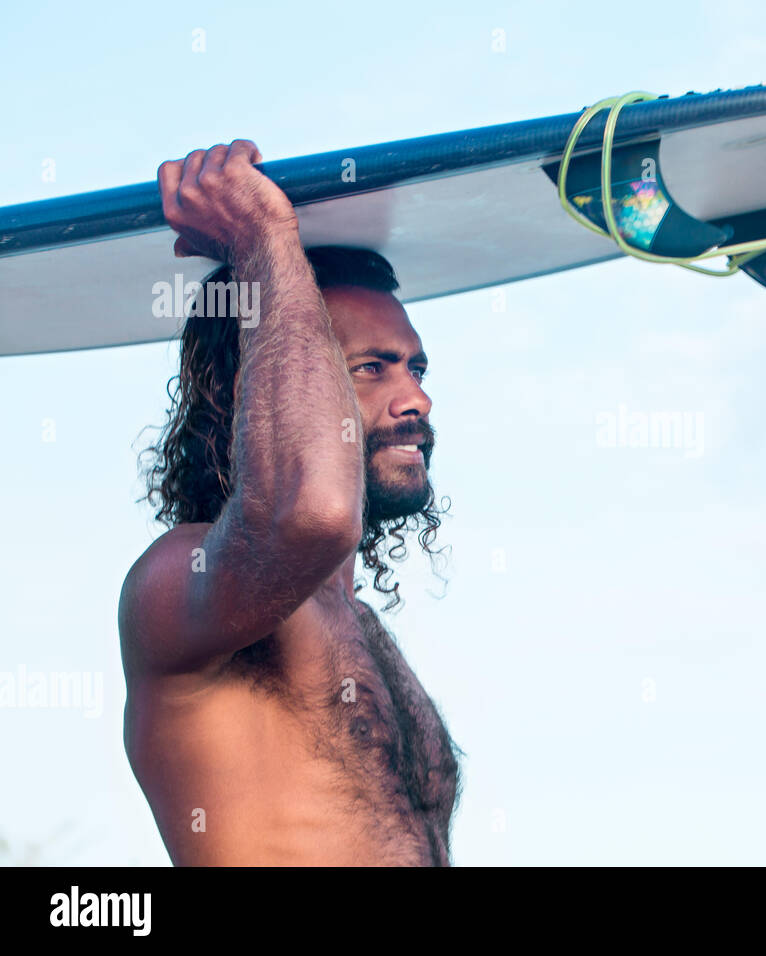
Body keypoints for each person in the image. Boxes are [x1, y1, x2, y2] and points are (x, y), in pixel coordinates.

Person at [118, 139, 462, 865]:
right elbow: (311, 513)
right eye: (371, 368)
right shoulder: (179, 585)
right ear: (266, 389)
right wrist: (263, 238)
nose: (418, 399)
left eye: (416, 366)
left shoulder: (357, 620)